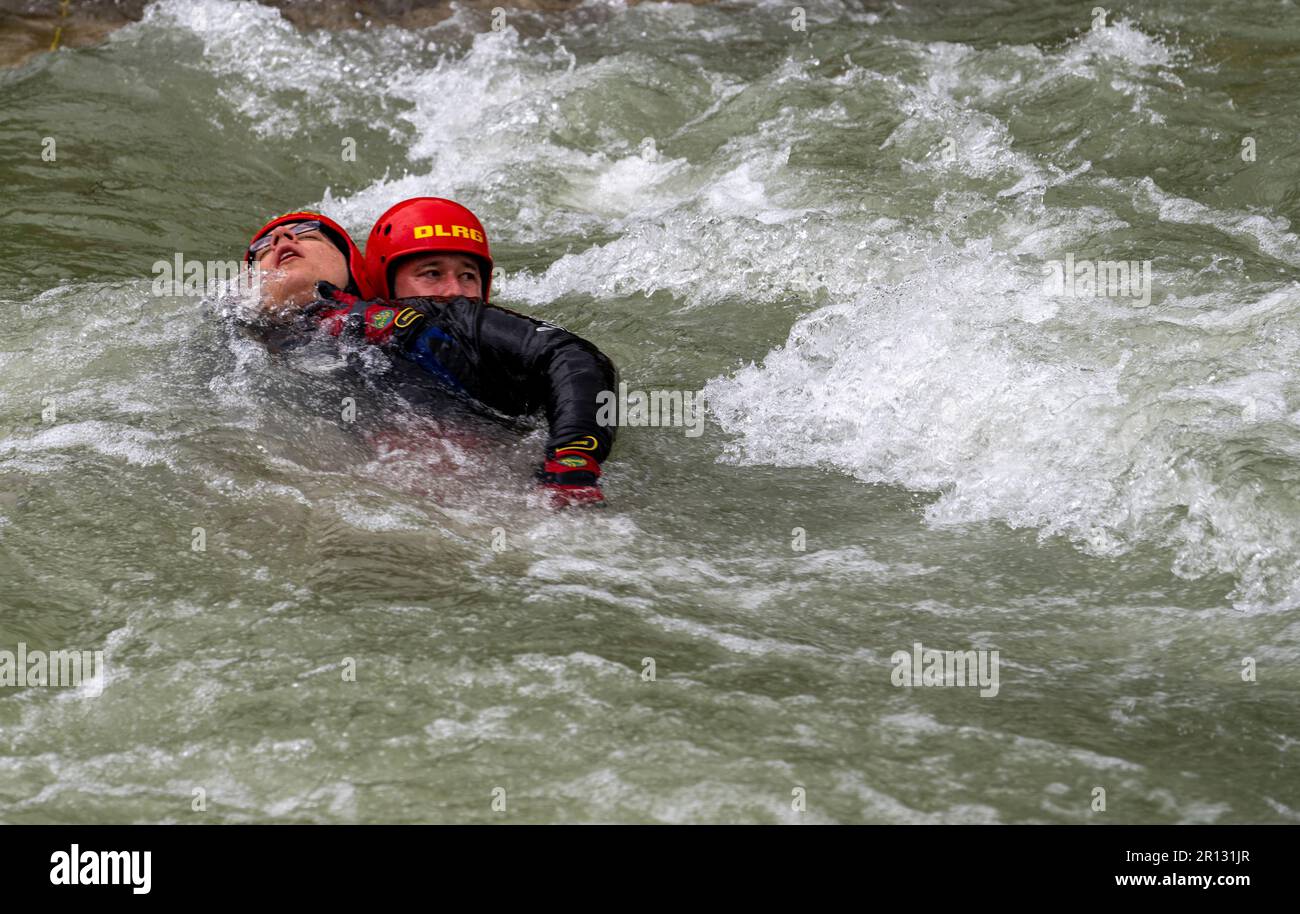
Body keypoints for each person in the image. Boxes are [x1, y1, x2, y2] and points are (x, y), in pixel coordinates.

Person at [311, 197, 616, 506]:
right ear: (385, 285)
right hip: (387, 499)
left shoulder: (475, 325)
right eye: (432, 273)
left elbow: (576, 358)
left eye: (468, 275)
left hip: (509, 498)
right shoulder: (353, 332)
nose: (454, 290)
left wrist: (573, 457)